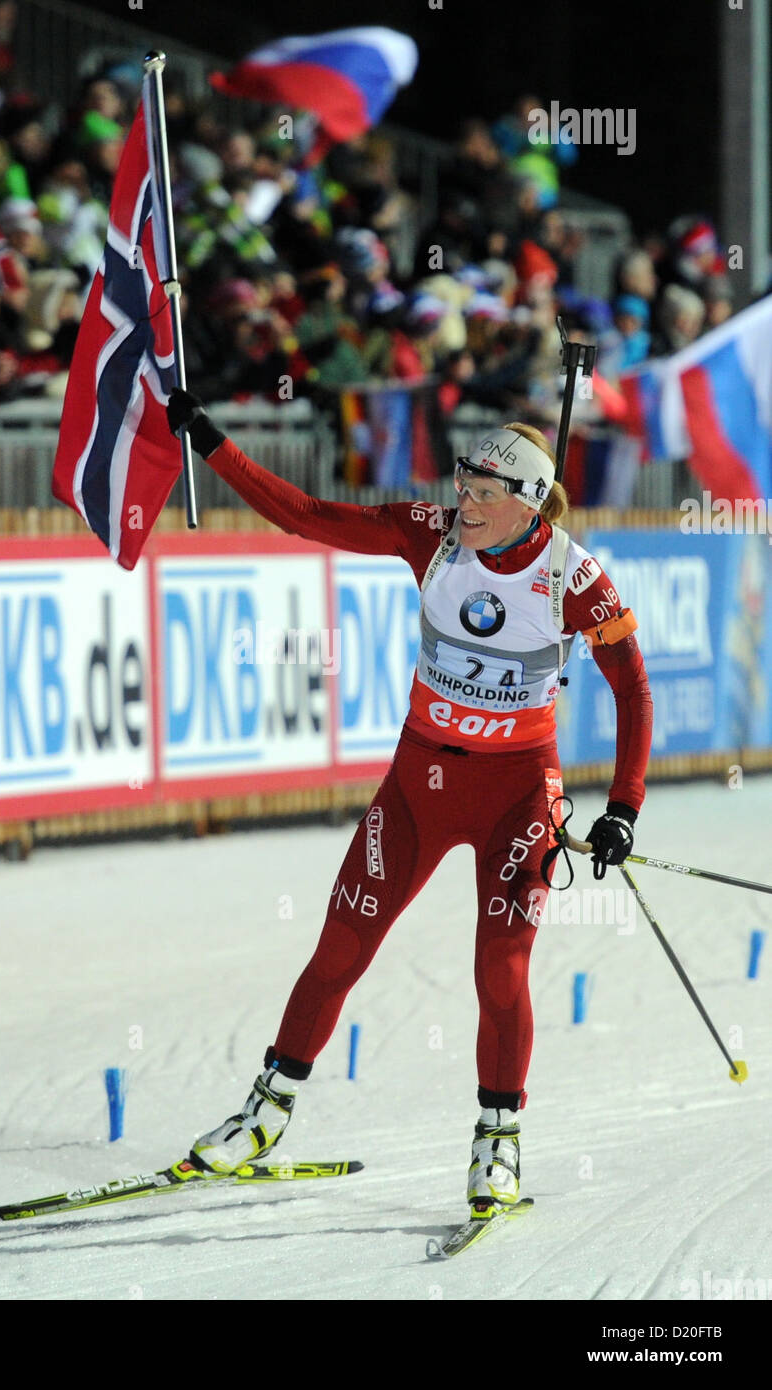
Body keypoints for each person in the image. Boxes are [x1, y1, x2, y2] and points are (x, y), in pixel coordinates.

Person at [165, 387, 653, 1217]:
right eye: (463, 481)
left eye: (482, 493)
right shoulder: (425, 535)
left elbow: (633, 691)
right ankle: (264, 1115)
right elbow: (303, 514)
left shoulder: (575, 578)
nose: (462, 499)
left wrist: (622, 807)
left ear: (527, 506)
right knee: (340, 944)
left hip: (516, 797)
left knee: (499, 971)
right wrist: (209, 441)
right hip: (418, 785)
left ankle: (497, 1147)